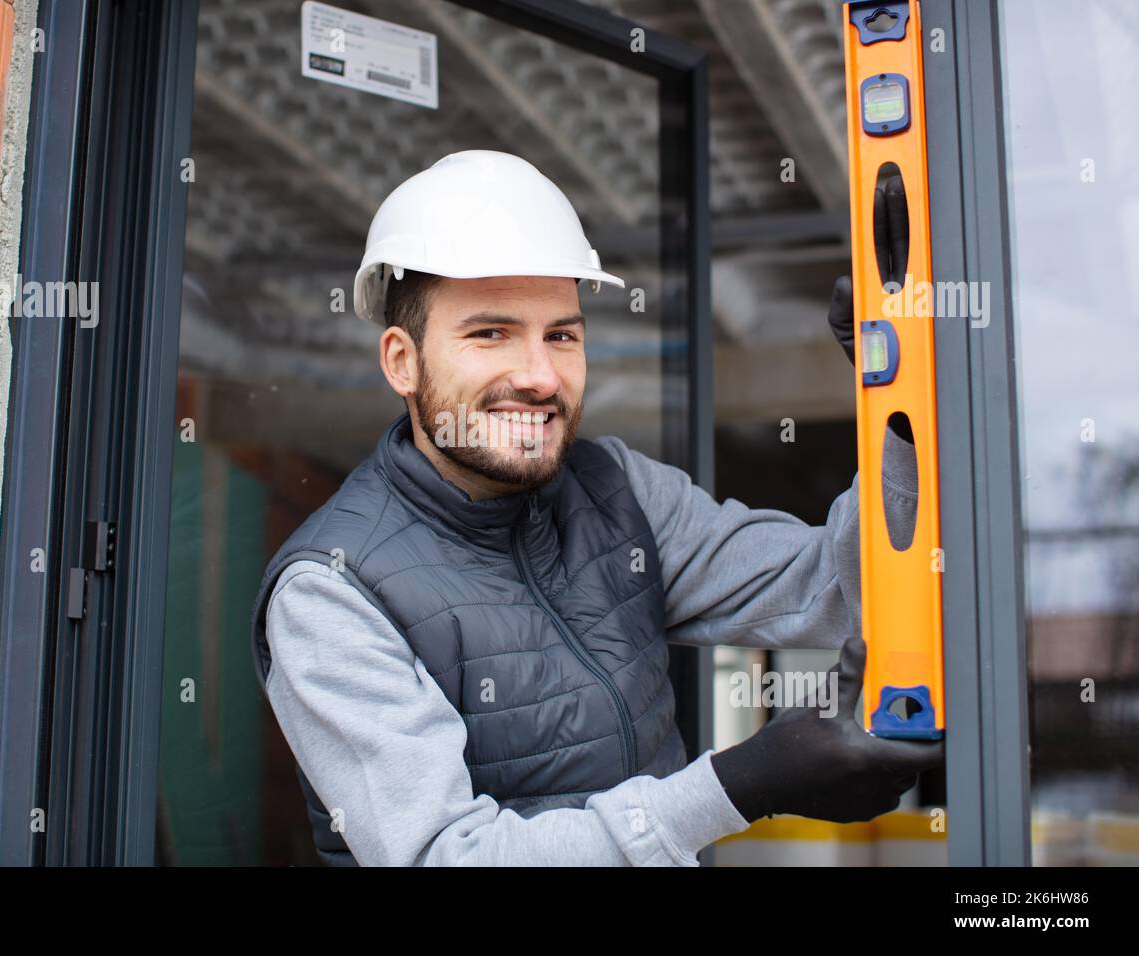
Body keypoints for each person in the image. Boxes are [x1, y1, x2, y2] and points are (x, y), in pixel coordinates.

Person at [250, 150, 942, 866]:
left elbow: (832, 587)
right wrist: (741, 784)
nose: (540, 376)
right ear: (401, 360)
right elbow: (447, 856)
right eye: (490, 333)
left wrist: (897, 403)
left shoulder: (616, 489)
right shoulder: (330, 590)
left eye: (562, 335)